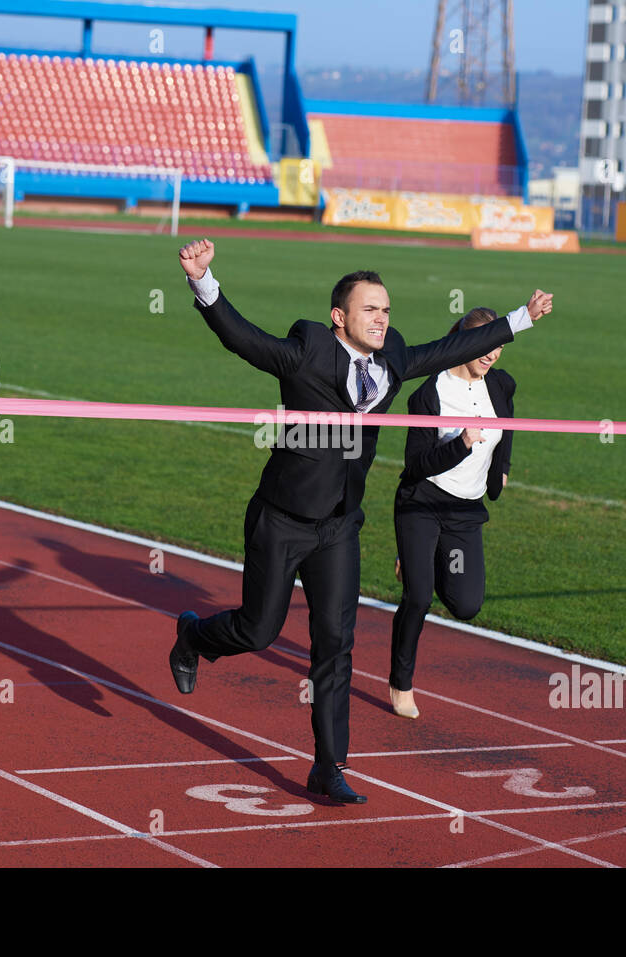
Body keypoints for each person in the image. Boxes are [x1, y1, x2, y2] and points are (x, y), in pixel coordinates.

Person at [169, 239, 552, 803]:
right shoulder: (306, 351)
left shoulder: (393, 357)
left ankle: (329, 766)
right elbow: (243, 339)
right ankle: (194, 636)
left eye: (387, 310)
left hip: (340, 524)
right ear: (339, 317)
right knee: (258, 630)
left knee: (335, 643)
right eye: (370, 309)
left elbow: (449, 349)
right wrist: (204, 282)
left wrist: (519, 318)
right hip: (283, 518)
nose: (382, 318)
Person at [389, 307, 514, 720]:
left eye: (498, 345)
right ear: (463, 342)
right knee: (419, 596)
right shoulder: (429, 394)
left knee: (466, 605)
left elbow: (507, 430)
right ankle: (401, 684)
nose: (492, 353)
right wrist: (459, 445)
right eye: (485, 344)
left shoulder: (501, 385)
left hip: (464, 511)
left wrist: (502, 472)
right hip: (422, 503)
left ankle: (420, 560)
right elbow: (415, 465)